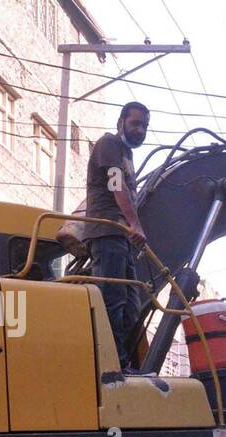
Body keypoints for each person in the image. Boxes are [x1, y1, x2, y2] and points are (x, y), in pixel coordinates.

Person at [84, 101, 150, 369]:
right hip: (107, 231)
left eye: (145, 126)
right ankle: (112, 364)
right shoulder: (109, 144)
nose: (141, 130)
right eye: (135, 123)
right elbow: (116, 185)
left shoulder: (127, 155)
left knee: (133, 302)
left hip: (121, 236)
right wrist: (135, 224)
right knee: (113, 299)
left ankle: (124, 359)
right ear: (121, 121)